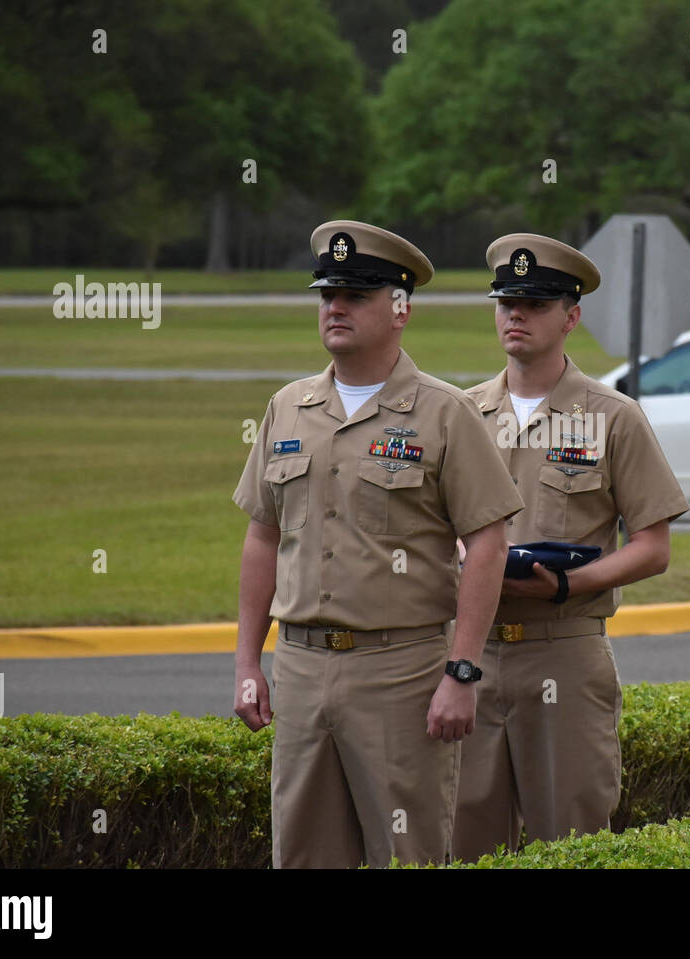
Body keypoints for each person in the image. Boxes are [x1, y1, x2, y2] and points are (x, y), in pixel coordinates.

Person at [231, 220, 522, 868]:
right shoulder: (287, 408)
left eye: (355, 295)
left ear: (399, 309)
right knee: (303, 855)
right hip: (302, 668)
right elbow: (262, 534)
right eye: (327, 294)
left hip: (402, 674)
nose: (334, 306)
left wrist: (463, 670)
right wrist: (248, 661)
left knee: (407, 854)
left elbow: (489, 541)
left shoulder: (444, 412)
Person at [452, 233, 690, 859]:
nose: (516, 316)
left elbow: (654, 546)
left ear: (571, 316)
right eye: (506, 303)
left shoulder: (613, 417)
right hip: (468, 657)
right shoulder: (461, 414)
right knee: (466, 844)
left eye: (534, 303)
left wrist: (567, 583)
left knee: (573, 846)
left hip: (563, 653)